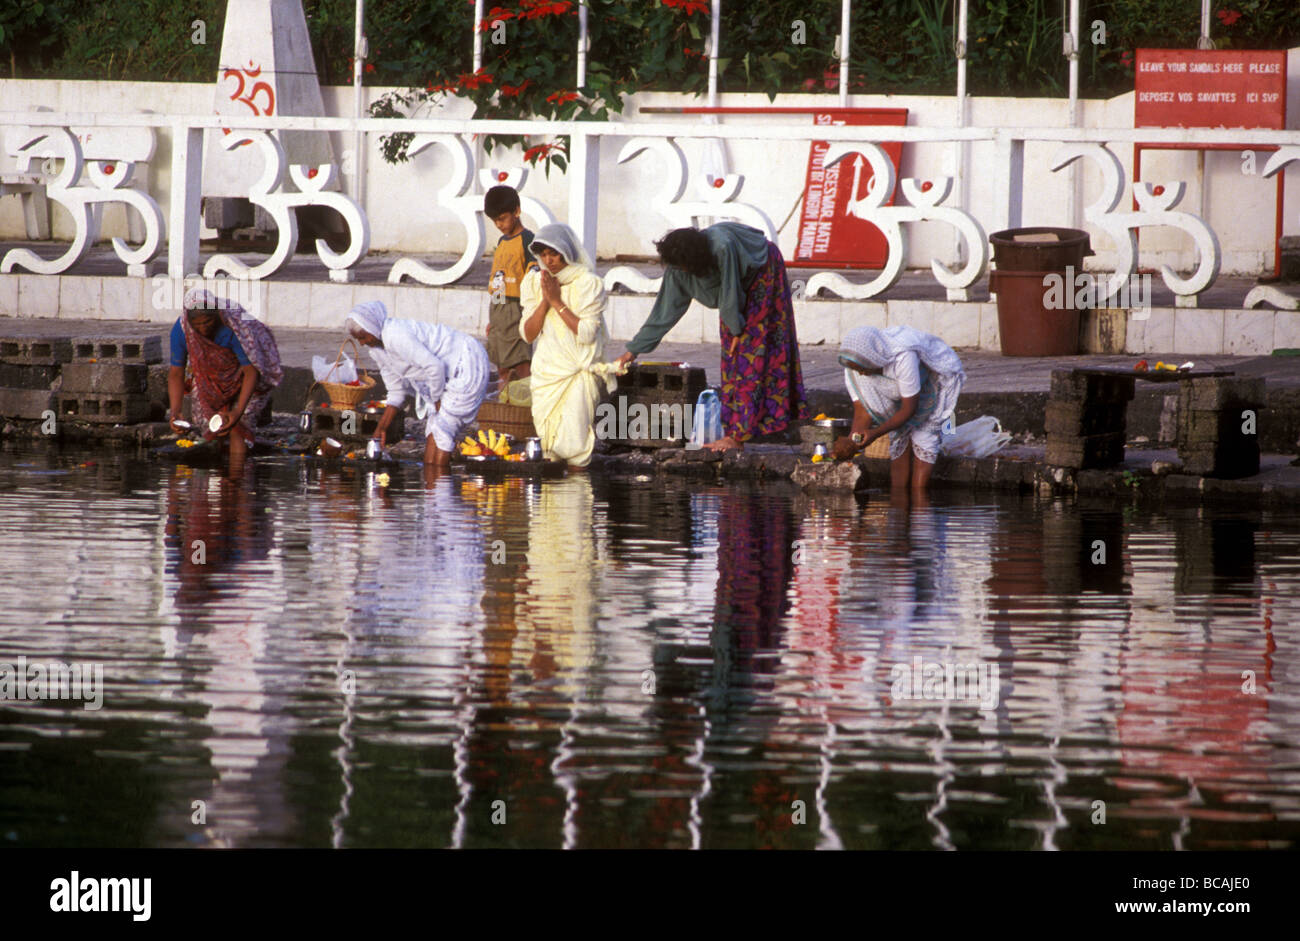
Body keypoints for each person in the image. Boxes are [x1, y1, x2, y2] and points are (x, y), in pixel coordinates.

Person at [615, 222, 807, 451]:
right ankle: (736, 430)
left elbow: (729, 293)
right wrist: (631, 351)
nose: (683, 271)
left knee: (751, 354)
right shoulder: (678, 268)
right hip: (737, 287)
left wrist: (737, 330)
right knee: (732, 358)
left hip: (762, 269)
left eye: (686, 266)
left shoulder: (721, 248)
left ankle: (738, 437)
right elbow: (663, 312)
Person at [519, 223, 620, 469]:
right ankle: (550, 506)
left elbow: (586, 333)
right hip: (546, 374)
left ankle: (576, 502)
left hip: (577, 373)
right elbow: (527, 334)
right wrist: (545, 300)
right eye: (543, 255)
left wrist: (556, 301)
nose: (549, 260)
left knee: (575, 448)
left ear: (567, 252)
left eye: (554, 254)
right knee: (549, 448)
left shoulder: (588, 284)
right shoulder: (534, 282)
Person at [345, 301, 489, 470]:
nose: (362, 343)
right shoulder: (376, 350)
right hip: (443, 377)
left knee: (442, 429)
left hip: (466, 364)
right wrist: (382, 427)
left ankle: (439, 489)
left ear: (372, 327)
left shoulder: (396, 335)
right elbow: (396, 391)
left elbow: (434, 366)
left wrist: (436, 400)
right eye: (358, 339)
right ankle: (433, 489)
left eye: (363, 337)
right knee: (434, 430)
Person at [831, 325, 965, 493]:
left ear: (872, 358)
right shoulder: (854, 368)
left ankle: (919, 505)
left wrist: (876, 433)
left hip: (932, 384)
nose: (862, 373)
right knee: (899, 438)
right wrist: (853, 441)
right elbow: (862, 410)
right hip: (897, 394)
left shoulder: (903, 357)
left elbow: (909, 408)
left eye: (863, 368)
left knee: (924, 438)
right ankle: (899, 503)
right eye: (857, 369)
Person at [167, 287, 283, 467]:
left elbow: (251, 372)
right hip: (209, 379)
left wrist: (237, 412)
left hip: (243, 379)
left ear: (216, 317)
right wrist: (175, 411)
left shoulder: (233, 327)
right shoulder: (182, 330)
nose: (203, 328)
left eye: (207, 322)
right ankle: (215, 484)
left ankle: (238, 481)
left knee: (238, 429)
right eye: (197, 324)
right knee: (213, 428)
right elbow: (176, 373)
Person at [483, 184, 537, 401]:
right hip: (498, 309)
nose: (499, 224)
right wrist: (494, 320)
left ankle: (527, 412)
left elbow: (533, 280)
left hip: (517, 309)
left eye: (503, 218)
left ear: (517, 211)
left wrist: (528, 314)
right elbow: (498, 279)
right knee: (502, 367)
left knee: (521, 366)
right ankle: (505, 409)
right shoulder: (501, 242)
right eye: (495, 220)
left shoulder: (528, 241)